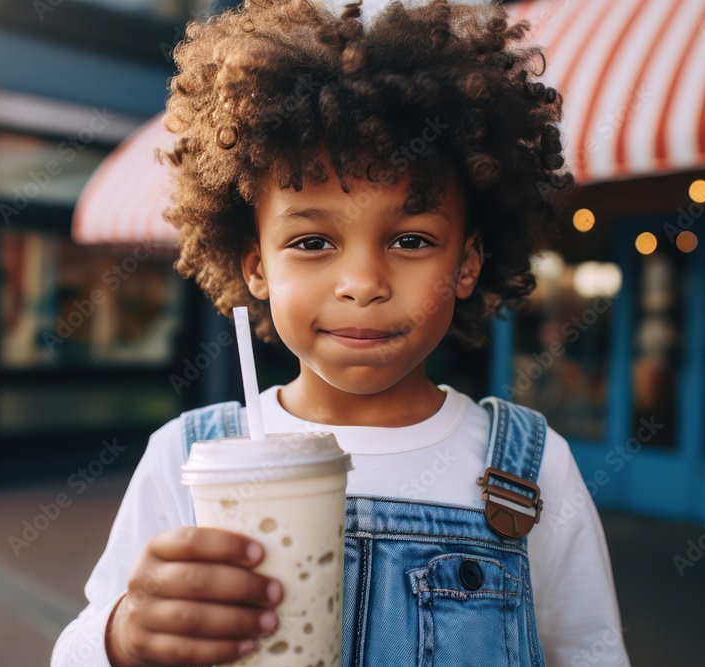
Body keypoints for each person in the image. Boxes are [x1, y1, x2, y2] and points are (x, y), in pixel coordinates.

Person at [53, 0, 630, 664]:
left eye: (411, 239)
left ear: (468, 261)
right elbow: (77, 648)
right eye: (312, 240)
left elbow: (590, 651)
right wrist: (125, 634)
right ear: (255, 266)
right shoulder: (190, 458)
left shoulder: (529, 469)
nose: (362, 281)